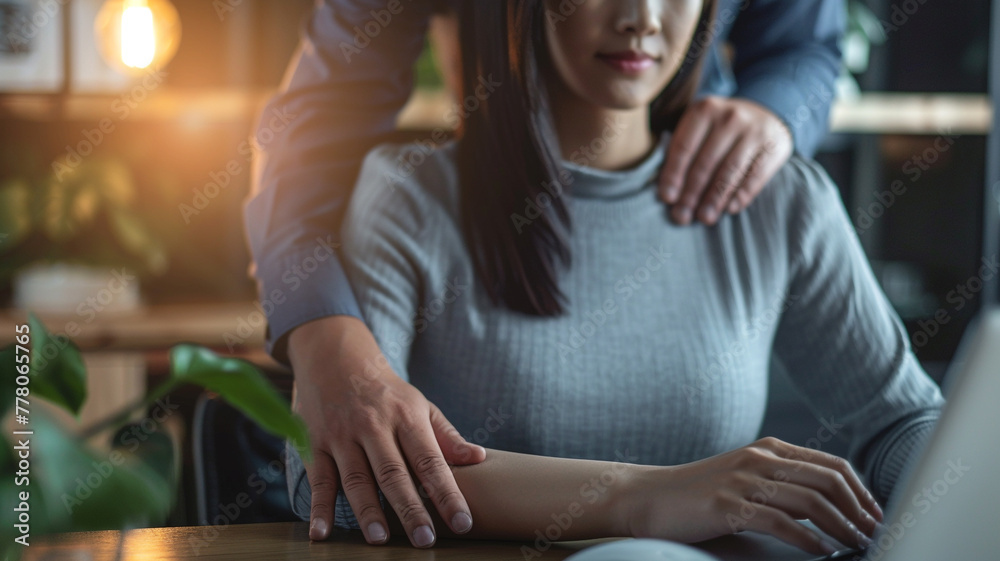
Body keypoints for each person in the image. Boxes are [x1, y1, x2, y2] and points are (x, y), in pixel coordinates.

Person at [280, 0, 945, 555]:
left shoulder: (781, 197)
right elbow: (339, 481)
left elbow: (905, 421)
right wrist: (644, 497)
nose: (643, 18)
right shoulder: (407, 198)